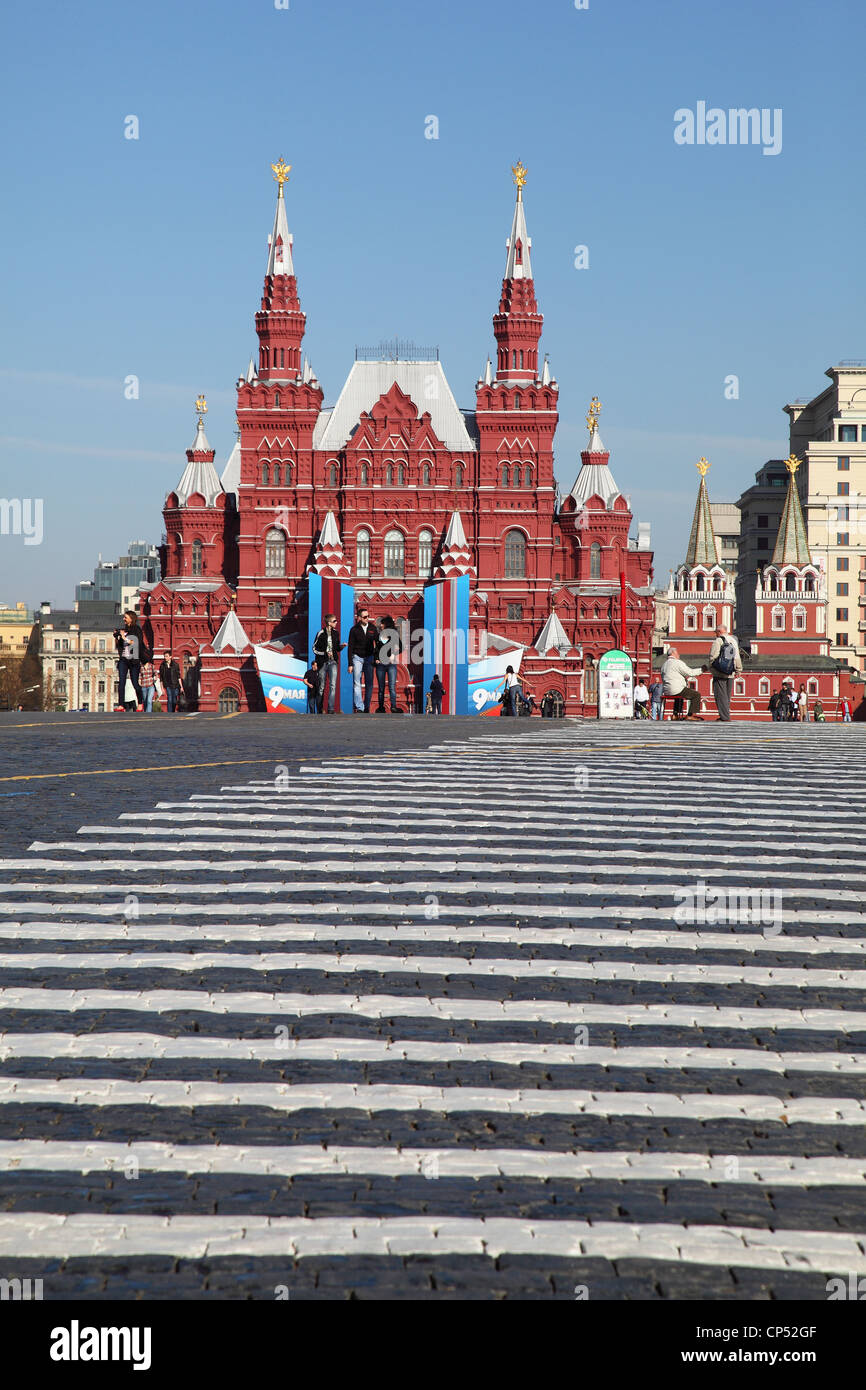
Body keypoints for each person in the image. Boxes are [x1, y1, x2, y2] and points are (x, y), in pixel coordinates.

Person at [707, 625, 742, 722]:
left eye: (716, 632)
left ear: (719, 632)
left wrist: (712, 667)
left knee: (720, 695)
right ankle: (725, 715)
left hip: (719, 672)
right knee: (727, 696)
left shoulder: (718, 641)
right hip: (730, 672)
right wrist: (739, 670)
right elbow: (737, 657)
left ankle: (725, 717)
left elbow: (713, 656)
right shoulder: (733, 640)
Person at [312, 613, 345, 714]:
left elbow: (336, 648)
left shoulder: (336, 633)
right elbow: (314, 649)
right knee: (321, 687)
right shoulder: (321, 633)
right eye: (335, 621)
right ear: (329, 623)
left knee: (333, 685)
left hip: (333, 661)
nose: (336, 622)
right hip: (322, 662)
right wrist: (324, 653)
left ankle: (330, 709)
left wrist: (341, 646)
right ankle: (320, 709)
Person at [347, 606, 378, 713]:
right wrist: (350, 664)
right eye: (365, 617)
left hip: (369, 658)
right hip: (357, 658)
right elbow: (350, 647)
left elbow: (378, 644)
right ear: (359, 618)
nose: (367, 618)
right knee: (357, 683)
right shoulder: (354, 630)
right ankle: (360, 707)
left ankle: (367, 706)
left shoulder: (373, 628)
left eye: (368, 616)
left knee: (369, 683)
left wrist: (377, 658)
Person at [661, 647, 703, 720]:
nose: (678, 655)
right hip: (676, 689)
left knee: (679, 693)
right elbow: (690, 672)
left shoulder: (664, 665)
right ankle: (690, 715)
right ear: (673, 653)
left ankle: (675, 714)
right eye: (677, 653)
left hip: (666, 690)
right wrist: (702, 670)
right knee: (696, 695)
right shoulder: (677, 662)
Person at [114, 610, 144, 712]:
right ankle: (121, 705)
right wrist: (117, 637)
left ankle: (140, 703)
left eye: (125, 617)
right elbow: (120, 645)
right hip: (124, 659)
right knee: (121, 682)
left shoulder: (137, 629)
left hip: (134, 660)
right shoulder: (125, 630)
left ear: (131, 618)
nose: (124, 619)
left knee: (135, 683)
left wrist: (124, 637)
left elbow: (136, 643)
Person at [375, 616, 400, 713]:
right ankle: (381, 707)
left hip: (391, 664)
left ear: (386, 624)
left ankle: (393, 706)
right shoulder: (379, 635)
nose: (380, 625)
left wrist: (393, 655)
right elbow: (376, 649)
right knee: (381, 687)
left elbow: (396, 646)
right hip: (381, 664)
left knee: (392, 686)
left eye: (382, 623)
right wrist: (376, 659)